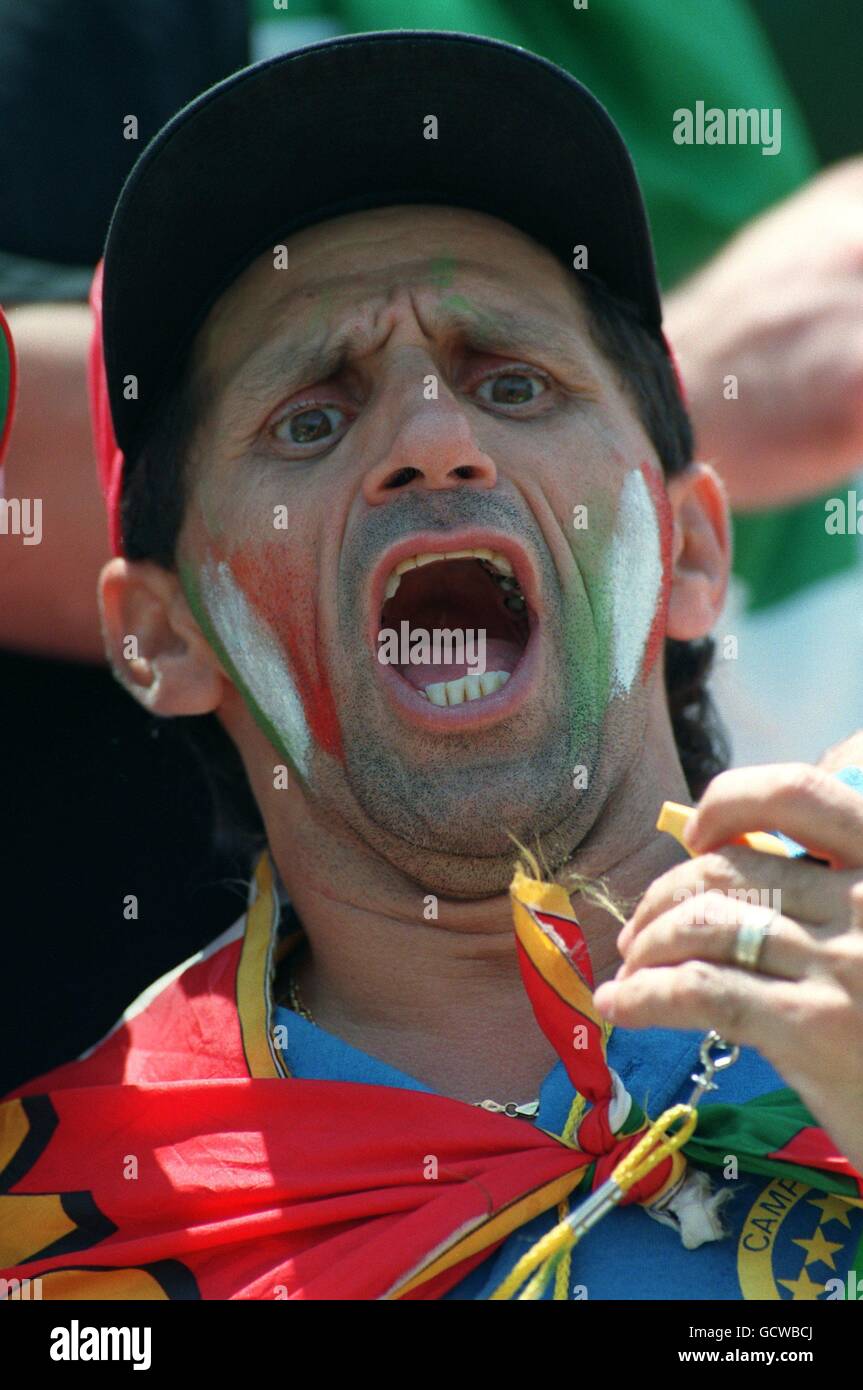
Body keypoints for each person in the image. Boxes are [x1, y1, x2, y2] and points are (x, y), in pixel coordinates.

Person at [2, 32, 863, 1302]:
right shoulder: (58, 1240)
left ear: (686, 544)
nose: (434, 438)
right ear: (163, 636)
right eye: (310, 416)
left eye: (512, 383)